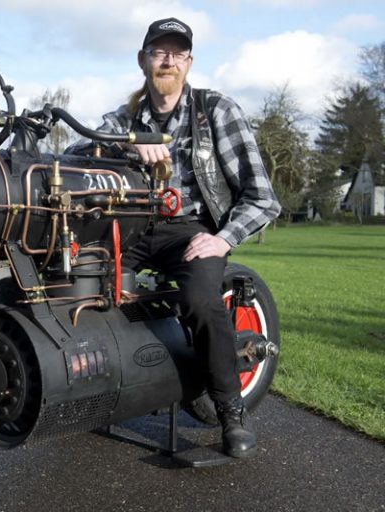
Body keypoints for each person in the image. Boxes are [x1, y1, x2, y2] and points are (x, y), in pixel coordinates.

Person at [71, 17, 280, 458]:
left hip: (191, 231)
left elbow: (262, 197)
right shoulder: (122, 119)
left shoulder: (216, 111)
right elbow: (74, 154)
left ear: (188, 62)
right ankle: (103, 389)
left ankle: (230, 412)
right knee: (75, 287)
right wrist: (127, 145)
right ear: (143, 60)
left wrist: (223, 239)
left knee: (201, 301)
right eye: (159, 51)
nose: (168, 60)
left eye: (177, 52)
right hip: (127, 230)